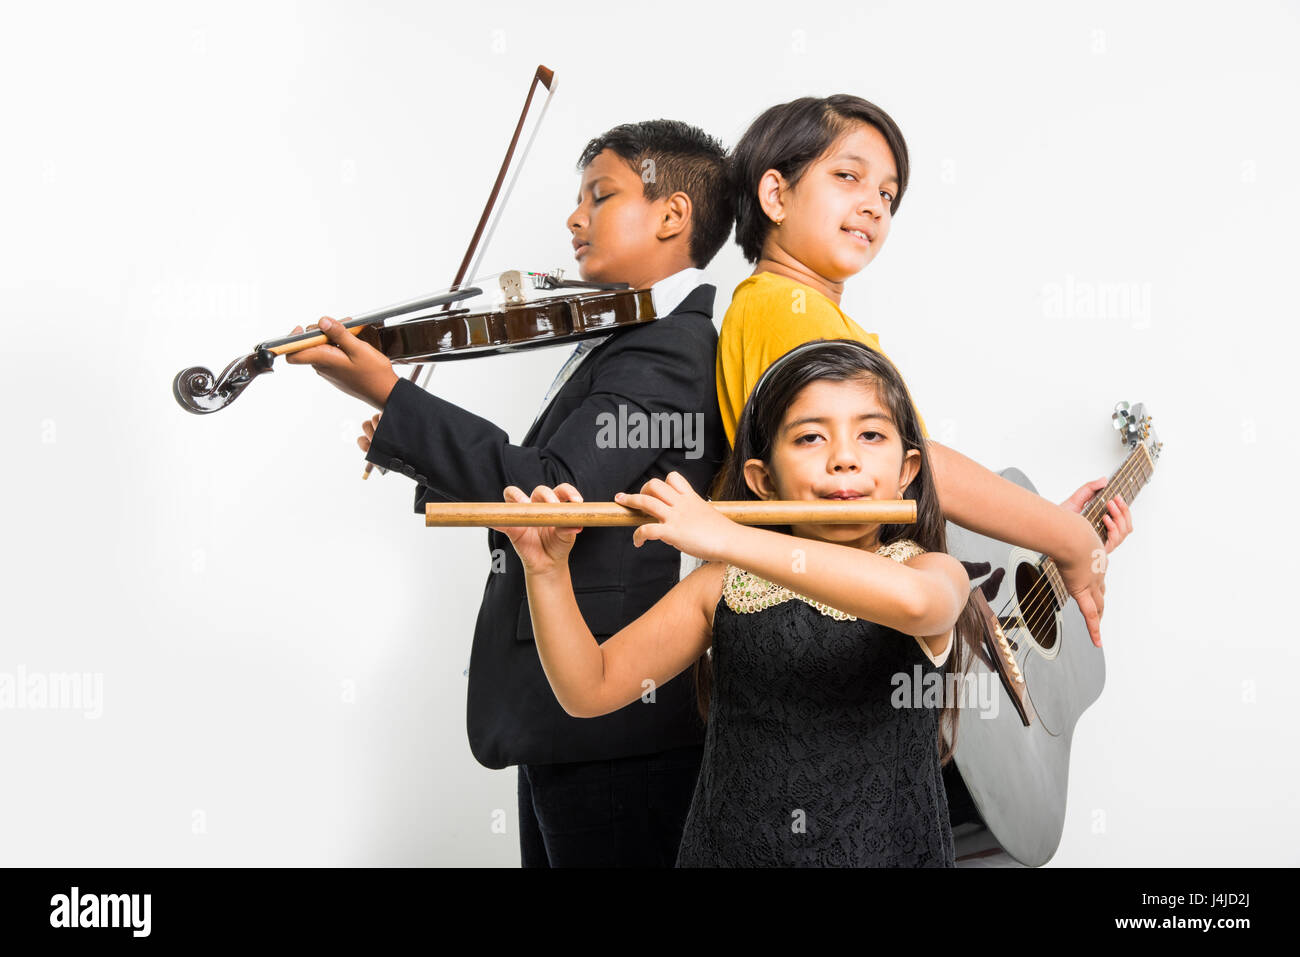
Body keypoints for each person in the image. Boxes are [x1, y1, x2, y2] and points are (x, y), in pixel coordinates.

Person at [286, 120, 734, 867]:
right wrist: (408, 438)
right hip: (569, 714)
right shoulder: (633, 338)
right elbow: (555, 478)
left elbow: (555, 487)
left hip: (614, 723)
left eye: (601, 194)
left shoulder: (673, 348)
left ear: (672, 215)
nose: (574, 216)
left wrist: (395, 396)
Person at [716, 93, 1134, 864]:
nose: (873, 205)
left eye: (888, 195)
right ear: (775, 195)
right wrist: (1066, 537)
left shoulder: (808, 317)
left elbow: (908, 480)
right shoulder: (788, 308)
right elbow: (920, 474)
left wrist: (1038, 521)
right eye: (849, 176)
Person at [495, 339, 984, 866]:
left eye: (870, 434)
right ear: (763, 481)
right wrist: (546, 572)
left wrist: (722, 534)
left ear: (908, 469)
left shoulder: (930, 571)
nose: (844, 458)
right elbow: (588, 689)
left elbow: (919, 606)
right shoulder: (724, 585)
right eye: (810, 438)